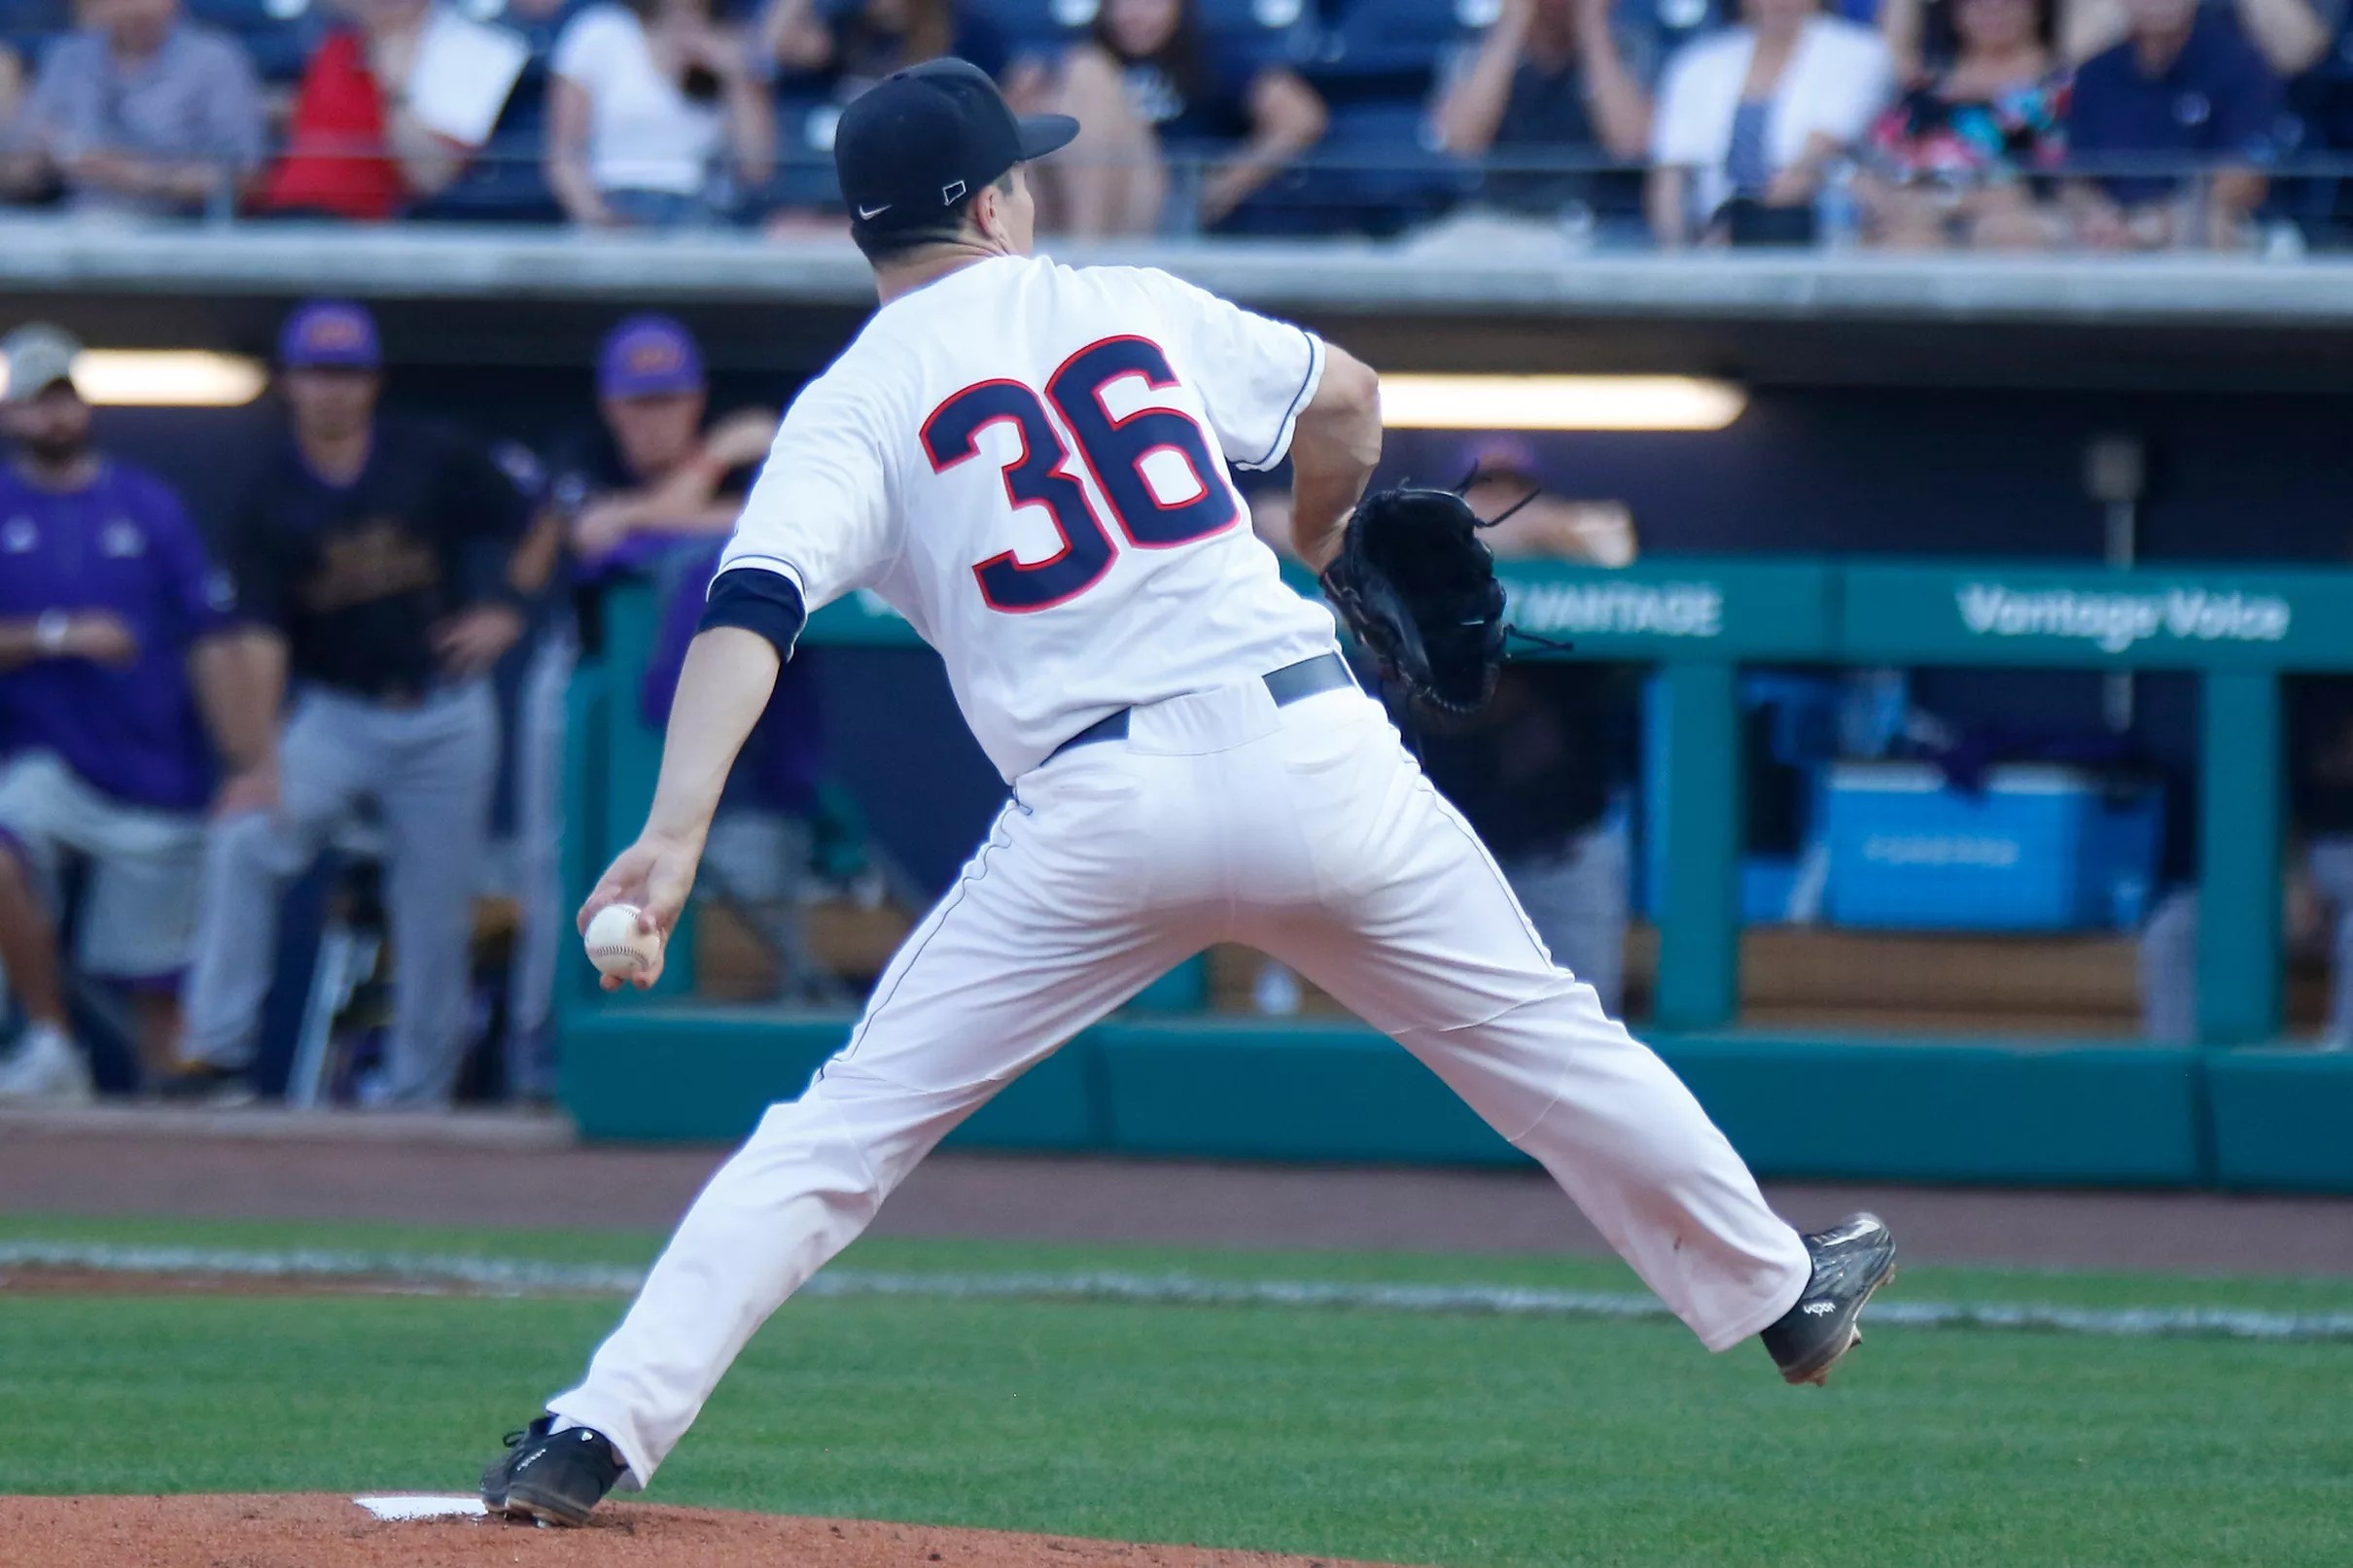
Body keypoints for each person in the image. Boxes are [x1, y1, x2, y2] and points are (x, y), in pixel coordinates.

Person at [477, 57, 1896, 1528]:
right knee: (1549, 1044)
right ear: (991, 201)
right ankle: (1784, 1293)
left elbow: (749, 603)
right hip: (1312, 746)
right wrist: (1333, 542)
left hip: (1099, 808)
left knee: (840, 1135)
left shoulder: (852, 406)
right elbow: (1346, 396)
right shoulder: (1121, 303)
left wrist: (673, 827)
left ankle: (594, 1431)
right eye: (1020, 169)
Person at [174, 300, 529, 1108]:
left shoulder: (428, 455)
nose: (332, 391)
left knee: (434, 910)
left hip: (444, 712)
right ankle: (218, 1051)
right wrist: (259, 764)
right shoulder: (270, 494)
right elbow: (257, 638)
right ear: (291, 384)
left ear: (372, 382)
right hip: (335, 715)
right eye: (317, 374)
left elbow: (537, 510)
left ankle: (418, 1093)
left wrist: (507, 605)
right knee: (244, 838)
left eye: (347, 374)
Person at [507, 314, 779, 1089]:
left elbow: (778, 526)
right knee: (554, 862)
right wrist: (713, 461)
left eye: (666, 398)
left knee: (726, 863)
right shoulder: (582, 454)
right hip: (584, 678)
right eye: (637, 400)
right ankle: (541, 1052)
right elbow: (597, 533)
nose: (650, 416)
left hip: (710, 694)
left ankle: (709, 1066)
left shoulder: (745, 466)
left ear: (694, 399)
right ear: (610, 404)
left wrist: (693, 483)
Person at [0, 325, 265, 1101]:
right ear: (11, 413)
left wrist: (249, 763)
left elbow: (213, 637)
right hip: (45, 764)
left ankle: (170, 1182)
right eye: (35, 402)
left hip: (154, 768)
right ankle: (51, 1040)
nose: (53, 417)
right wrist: (58, 634)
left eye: (63, 399)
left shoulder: (147, 507)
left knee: (161, 1010)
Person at [1046, 0, 1327, 236]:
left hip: (1171, 201)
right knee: (1069, 76)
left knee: (1087, 69)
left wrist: (1226, 185)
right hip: (1080, 198)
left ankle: (1080, 253)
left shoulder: (1209, 55)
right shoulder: (1087, 52)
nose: (1133, 12)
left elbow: (1301, 117)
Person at [1646, 0, 1896, 246]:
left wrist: (1742, 229)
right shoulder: (1697, 62)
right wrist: (1676, 255)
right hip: (1712, 241)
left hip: (1814, 235)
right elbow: (1671, 174)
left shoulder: (1860, 52)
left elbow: (1814, 158)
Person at [251, 0, 516, 221]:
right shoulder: (339, 42)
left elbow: (429, 177)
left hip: (361, 235)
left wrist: (395, 92)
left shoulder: (473, 49)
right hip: (282, 219)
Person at [2, 0, 264, 215]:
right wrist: (42, 157)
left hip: (179, 226)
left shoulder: (216, 59)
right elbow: (20, 169)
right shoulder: (68, 54)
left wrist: (136, 176)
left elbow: (242, 178)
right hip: (75, 221)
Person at [2060, 0, 2280, 250]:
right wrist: (2095, 214)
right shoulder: (2095, 73)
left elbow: (2243, 181)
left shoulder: (2239, 64)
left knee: (2213, 227)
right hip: (2110, 229)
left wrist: (2157, 223)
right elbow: (2075, 177)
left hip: (2197, 222)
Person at [1858, 0, 2069, 248]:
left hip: (2021, 218)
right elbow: (1879, 160)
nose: (1994, 12)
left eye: (2009, 4)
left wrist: (1945, 204)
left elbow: (2052, 183)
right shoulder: (1922, 90)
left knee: (2008, 234)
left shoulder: (2059, 89)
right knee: (1907, 242)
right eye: (1977, 5)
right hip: (1922, 220)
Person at [544, 0, 774, 228]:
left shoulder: (737, 43)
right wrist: (599, 218)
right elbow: (565, 155)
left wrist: (736, 78)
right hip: (613, 201)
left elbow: (756, 168)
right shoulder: (600, 33)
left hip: (702, 213)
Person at [1430, 0, 1653, 226]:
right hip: (1497, 220)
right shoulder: (1477, 48)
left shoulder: (1627, 46)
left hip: (1594, 225)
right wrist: (1510, 27)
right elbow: (1462, 141)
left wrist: (1593, 31)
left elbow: (1631, 145)